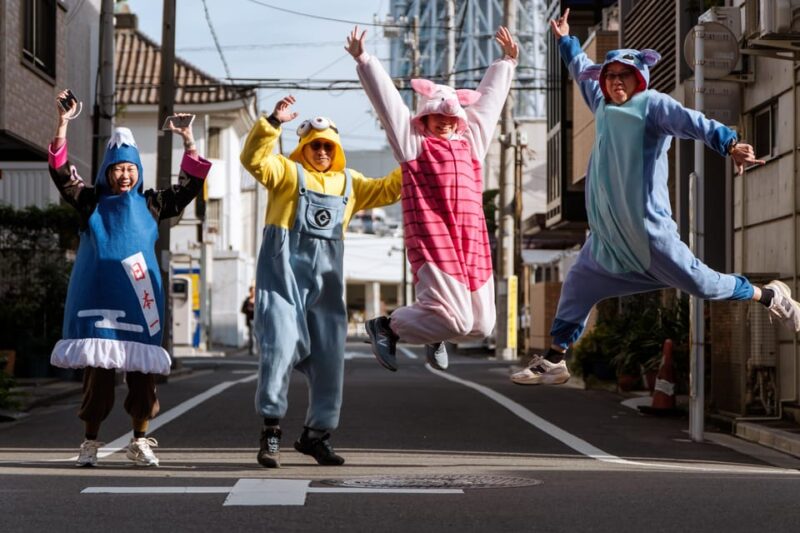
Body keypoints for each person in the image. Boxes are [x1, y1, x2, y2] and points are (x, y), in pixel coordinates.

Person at [510, 10, 799, 386]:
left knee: (705, 286)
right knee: (577, 286)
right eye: (610, 76)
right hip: (609, 239)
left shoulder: (653, 106)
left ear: (637, 79)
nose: (615, 82)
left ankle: (771, 296)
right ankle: (554, 359)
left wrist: (729, 145)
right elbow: (580, 67)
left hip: (649, 235)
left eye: (622, 76)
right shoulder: (601, 103)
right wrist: (567, 40)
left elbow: (695, 122)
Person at [48, 90, 211, 466]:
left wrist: (188, 139)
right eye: (118, 168)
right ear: (108, 171)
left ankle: (139, 440)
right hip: (99, 297)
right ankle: (90, 442)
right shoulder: (90, 200)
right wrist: (62, 123)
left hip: (139, 299)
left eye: (130, 168)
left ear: (138, 171)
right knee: (98, 378)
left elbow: (189, 188)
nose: (125, 175)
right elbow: (60, 174)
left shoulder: (152, 203)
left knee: (142, 376)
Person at [239, 95, 403, 468]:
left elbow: (391, 189)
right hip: (283, 282)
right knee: (279, 349)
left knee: (331, 358)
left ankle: (316, 436)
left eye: (328, 146)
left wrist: (411, 156)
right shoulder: (285, 174)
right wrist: (271, 123)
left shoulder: (352, 184)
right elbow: (254, 160)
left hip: (327, 288)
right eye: (315, 145)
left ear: (338, 149)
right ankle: (271, 432)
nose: (322, 151)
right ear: (303, 147)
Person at [346, 26, 519, 373]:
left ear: (458, 119)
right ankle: (387, 326)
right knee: (455, 322)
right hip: (433, 237)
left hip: (471, 240)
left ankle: (432, 331)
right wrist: (365, 60)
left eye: (450, 117)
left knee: (481, 325)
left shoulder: (471, 144)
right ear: (425, 117)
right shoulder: (414, 144)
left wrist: (506, 63)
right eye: (436, 116)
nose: (444, 122)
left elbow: (488, 105)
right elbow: (390, 105)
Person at [241, 284, 255, 355]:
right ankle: (251, 350)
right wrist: (248, 310)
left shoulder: (257, 299)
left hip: (257, 320)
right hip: (250, 320)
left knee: (256, 336)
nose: (253, 292)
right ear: (250, 292)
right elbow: (242, 310)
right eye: (252, 291)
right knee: (251, 336)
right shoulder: (247, 300)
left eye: (254, 291)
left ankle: (256, 350)